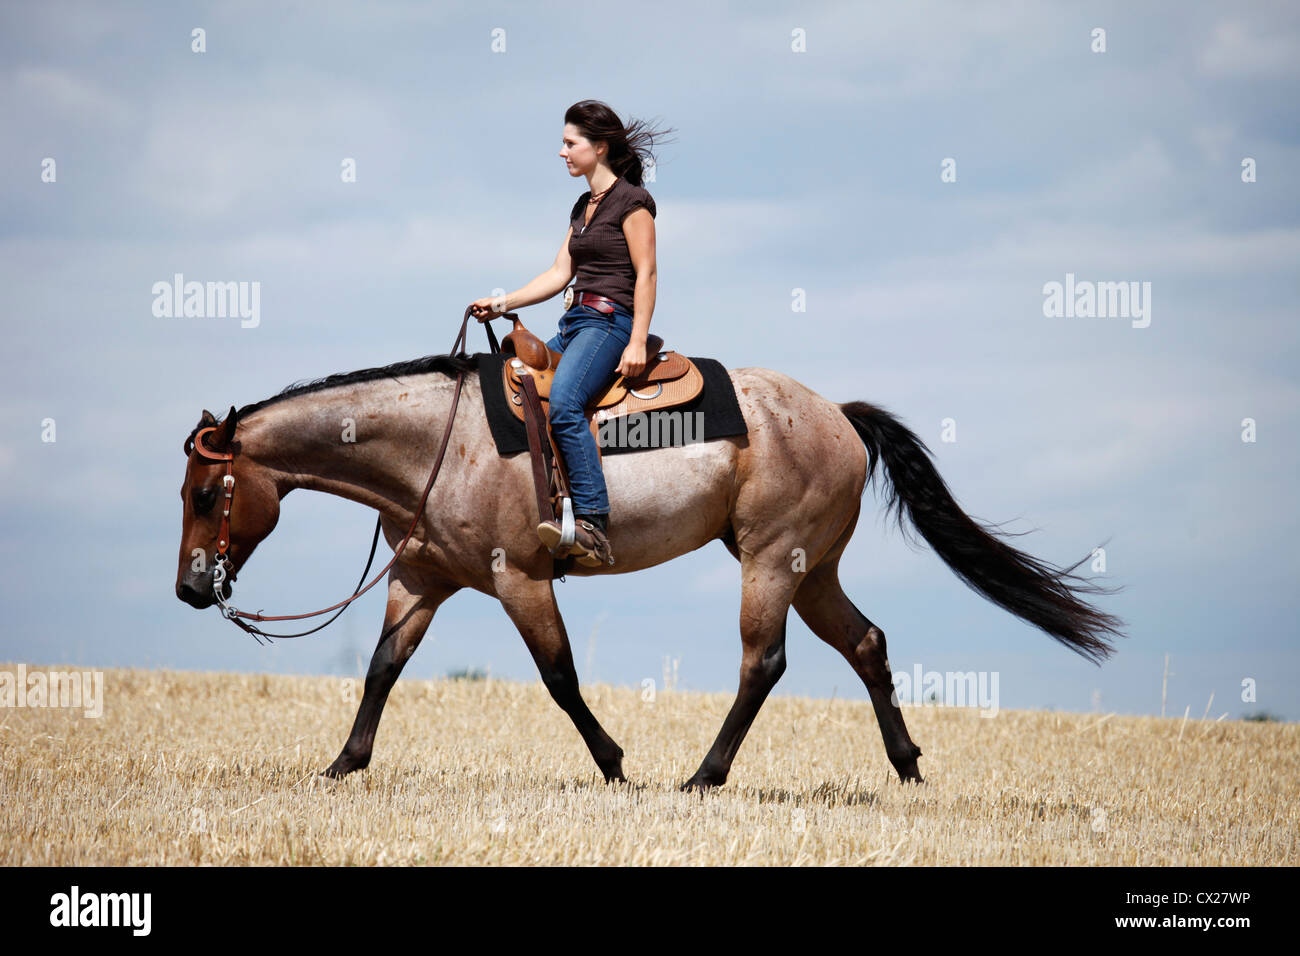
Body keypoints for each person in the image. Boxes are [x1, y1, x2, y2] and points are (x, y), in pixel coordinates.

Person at [470, 100, 673, 568]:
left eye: (570, 143)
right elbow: (560, 273)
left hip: (610, 324)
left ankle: (593, 523)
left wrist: (638, 339)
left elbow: (647, 275)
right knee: (514, 380)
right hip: (575, 323)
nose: (562, 152)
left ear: (599, 147)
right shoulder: (583, 206)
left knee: (564, 402)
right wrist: (503, 303)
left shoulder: (633, 202)